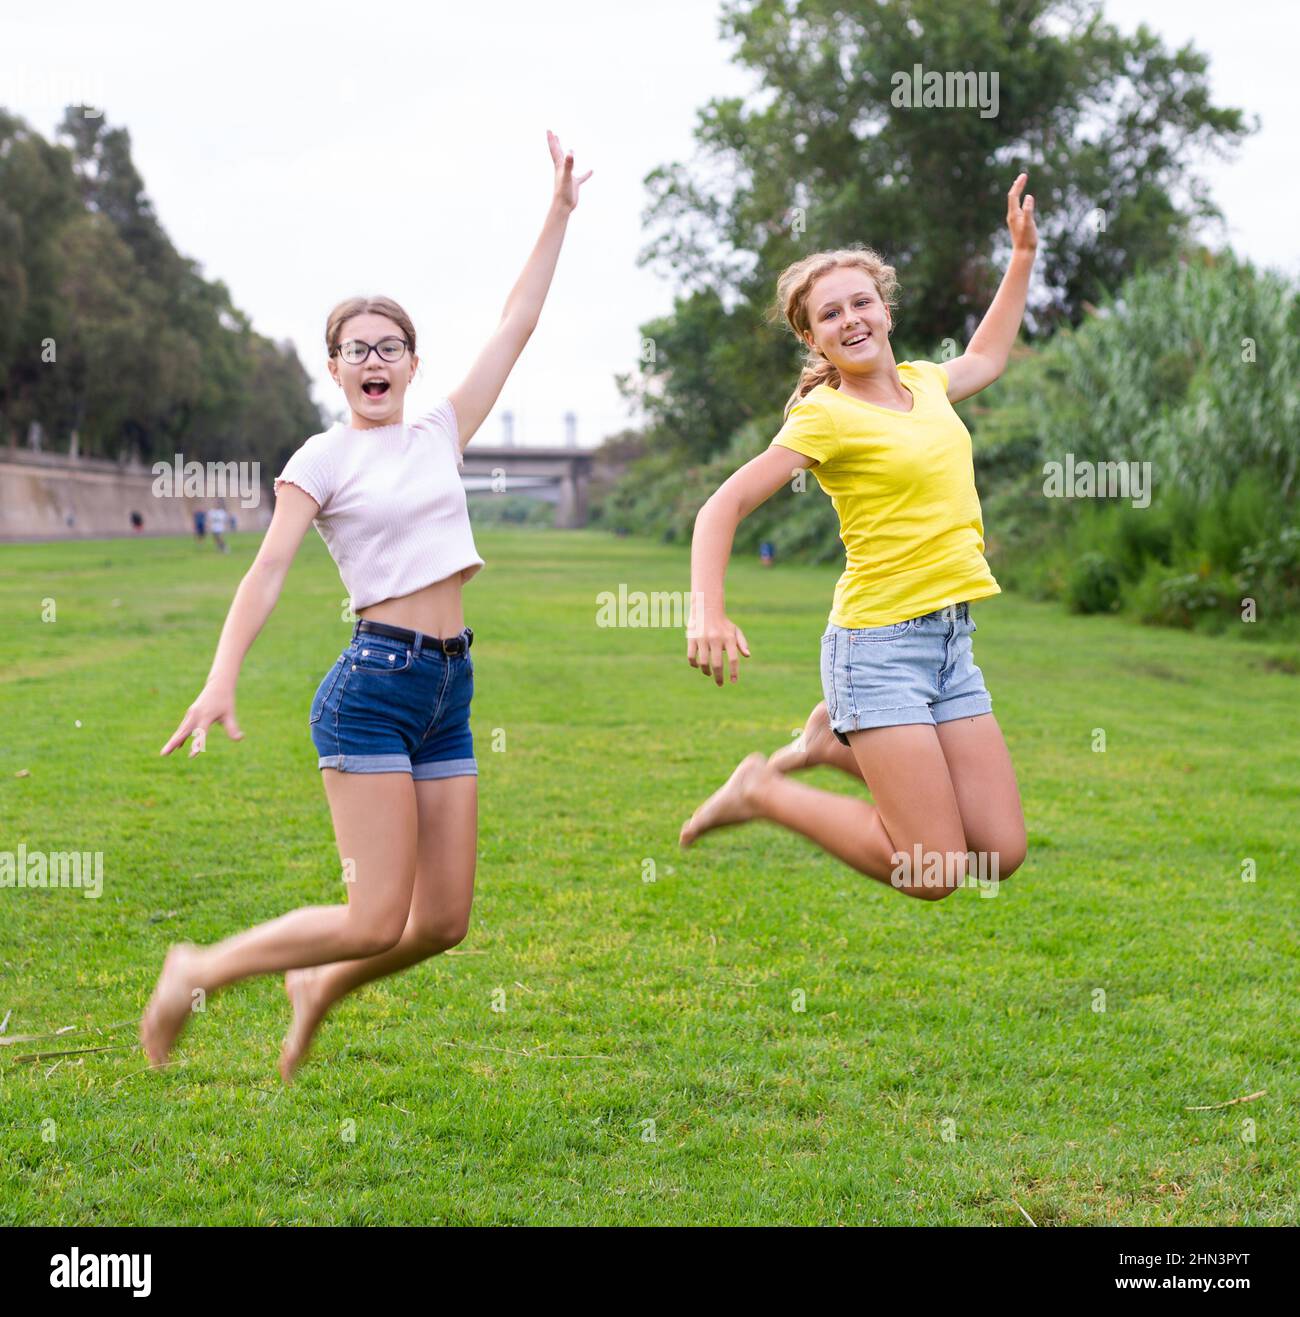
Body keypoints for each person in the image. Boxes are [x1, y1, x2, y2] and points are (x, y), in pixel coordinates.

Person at [144, 130, 591, 1080]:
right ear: (337, 368)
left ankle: (318, 988)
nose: (374, 361)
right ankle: (200, 967)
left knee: (441, 923)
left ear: (413, 362)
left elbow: (517, 322)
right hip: (372, 688)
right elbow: (265, 570)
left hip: (449, 687)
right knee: (371, 914)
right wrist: (222, 676)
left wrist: (555, 212)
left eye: (389, 347)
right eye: (357, 351)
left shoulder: (439, 429)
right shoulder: (322, 458)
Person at [679, 175, 1037, 902]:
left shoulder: (926, 384)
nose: (851, 319)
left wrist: (1022, 256)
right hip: (877, 648)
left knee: (999, 852)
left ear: (885, 309)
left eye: (861, 302)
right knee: (935, 871)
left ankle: (821, 744)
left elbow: (990, 355)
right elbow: (724, 504)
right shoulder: (825, 417)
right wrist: (706, 611)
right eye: (830, 313)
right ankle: (762, 790)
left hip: (949, 643)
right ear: (811, 337)